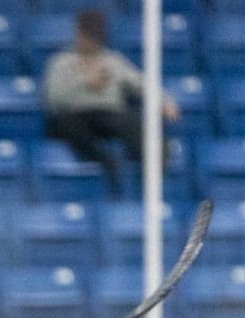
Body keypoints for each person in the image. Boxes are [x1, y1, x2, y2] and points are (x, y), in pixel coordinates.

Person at [42, 10, 180, 192]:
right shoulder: (62, 62)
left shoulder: (112, 61)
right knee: (64, 123)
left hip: (107, 114)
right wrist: (83, 83)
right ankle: (105, 162)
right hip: (74, 115)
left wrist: (164, 101)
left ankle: (155, 158)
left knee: (129, 121)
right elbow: (53, 98)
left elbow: (140, 82)